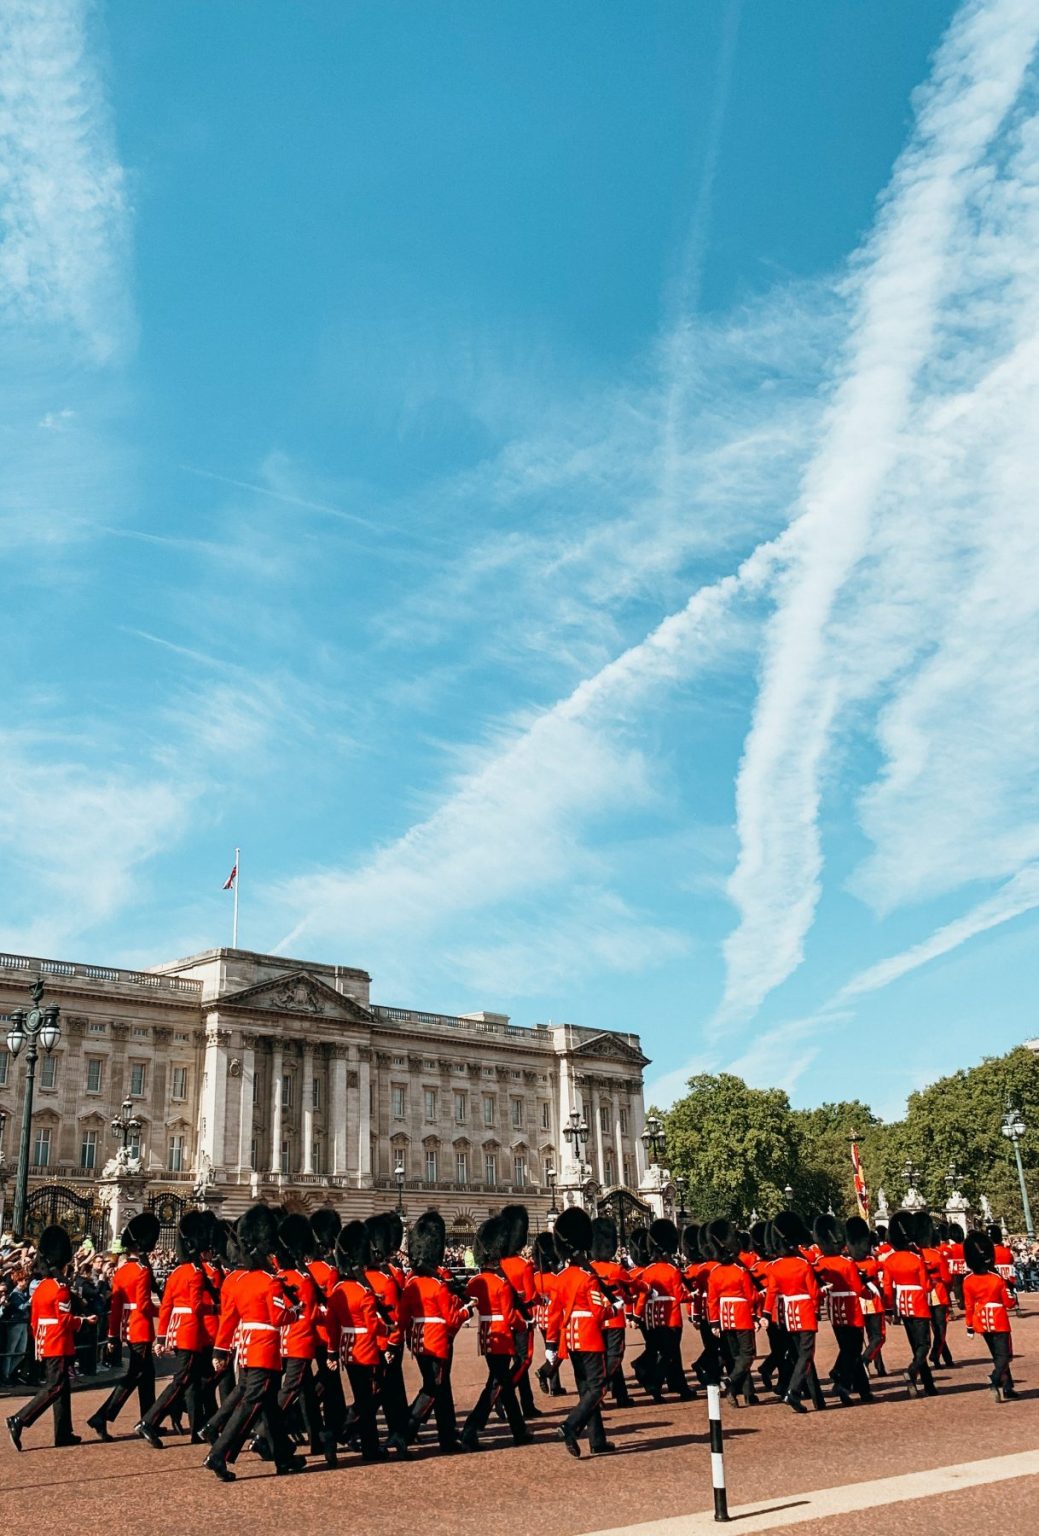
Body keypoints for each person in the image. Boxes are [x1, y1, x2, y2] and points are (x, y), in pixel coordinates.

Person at [203, 1203, 305, 1482]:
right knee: (250, 1404)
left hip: (245, 1348)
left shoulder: (240, 1281)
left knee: (270, 1407)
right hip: (263, 1348)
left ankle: (283, 1457)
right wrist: (297, 1310)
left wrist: (220, 1349)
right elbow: (278, 1316)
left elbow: (229, 1320)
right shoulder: (270, 1282)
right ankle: (218, 1454)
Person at [6, 1226, 96, 1451]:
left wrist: (39, 1340)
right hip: (58, 1342)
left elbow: (35, 1321)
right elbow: (65, 1320)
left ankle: (63, 1432)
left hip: (46, 1340)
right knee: (55, 1387)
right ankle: (20, 1419)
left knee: (62, 1388)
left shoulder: (42, 1287)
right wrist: (84, 1321)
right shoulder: (60, 1288)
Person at [135, 1209, 215, 1447]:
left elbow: (167, 1305)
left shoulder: (177, 1272)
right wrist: (217, 1308)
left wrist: (162, 1337)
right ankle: (149, 1421)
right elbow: (197, 1307)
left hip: (179, 1330)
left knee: (198, 1381)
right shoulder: (196, 1274)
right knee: (181, 1380)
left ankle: (199, 1428)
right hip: (191, 1332)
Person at [399, 1210, 474, 1453]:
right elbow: (451, 1321)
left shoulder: (411, 1283)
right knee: (434, 1389)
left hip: (418, 1343)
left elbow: (403, 1319)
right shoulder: (438, 1286)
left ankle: (447, 1434)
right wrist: (467, 1311)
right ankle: (405, 1431)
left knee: (441, 1389)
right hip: (438, 1341)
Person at [459, 1215, 532, 1452]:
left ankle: (519, 1431)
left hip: (486, 1335)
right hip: (501, 1336)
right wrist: (525, 1324)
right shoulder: (500, 1284)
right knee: (498, 1385)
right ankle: (471, 1427)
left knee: (503, 1385)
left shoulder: (475, 1282)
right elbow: (510, 1316)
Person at [546, 1206, 613, 1458]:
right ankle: (570, 1425)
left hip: (570, 1338)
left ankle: (597, 1440)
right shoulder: (588, 1277)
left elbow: (554, 1313)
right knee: (598, 1389)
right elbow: (598, 1311)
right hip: (588, 1336)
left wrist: (551, 1345)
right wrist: (613, 1308)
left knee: (586, 1390)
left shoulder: (561, 1277)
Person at [87, 1211, 161, 1440]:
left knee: (147, 1377)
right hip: (140, 1328)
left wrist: (113, 1335)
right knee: (134, 1377)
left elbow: (116, 1308)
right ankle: (102, 1416)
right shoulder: (141, 1271)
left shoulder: (121, 1271)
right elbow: (145, 1306)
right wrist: (165, 1310)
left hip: (127, 1328)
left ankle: (149, 1420)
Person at [324, 1221, 388, 1461]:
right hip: (366, 1349)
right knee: (367, 1403)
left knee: (362, 1398)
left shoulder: (338, 1290)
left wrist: (332, 1352)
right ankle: (368, 1447)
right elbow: (373, 1326)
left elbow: (332, 1326)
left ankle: (336, 1434)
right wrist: (388, 1328)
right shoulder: (364, 1293)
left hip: (347, 1350)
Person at [764, 1211, 825, 1414]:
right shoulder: (803, 1265)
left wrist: (765, 1315)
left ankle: (817, 1398)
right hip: (804, 1311)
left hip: (786, 1315)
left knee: (801, 1355)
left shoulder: (774, 1267)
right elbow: (814, 1292)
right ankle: (793, 1391)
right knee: (806, 1354)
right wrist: (818, 1304)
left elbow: (771, 1292)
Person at [812, 1213, 870, 1405]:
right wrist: (869, 1289)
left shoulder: (820, 1263)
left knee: (847, 1347)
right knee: (853, 1349)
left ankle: (864, 1390)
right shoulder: (847, 1263)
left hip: (834, 1309)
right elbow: (858, 1289)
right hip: (851, 1309)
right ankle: (841, 1379)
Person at [364, 1212, 409, 1454]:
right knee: (384, 1389)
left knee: (387, 1388)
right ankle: (352, 1426)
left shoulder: (372, 1276)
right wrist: (393, 1343)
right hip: (384, 1340)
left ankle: (399, 1431)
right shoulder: (389, 1276)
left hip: (374, 1340)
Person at [881, 1210, 937, 1398]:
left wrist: (888, 1309)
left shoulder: (889, 1260)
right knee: (924, 1345)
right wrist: (933, 1282)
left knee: (915, 1345)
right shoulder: (916, 1259)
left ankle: (928, 1385)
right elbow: (926, 1286)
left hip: (902, 1304)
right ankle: (912, 1371)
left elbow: (887, 1287)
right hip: (918, 1302)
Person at [704, 1219, 759, 1407]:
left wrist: (714, 1322)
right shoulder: (740, 1271)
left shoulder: (715, 1272)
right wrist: (756, 1315)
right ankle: (730, 1382)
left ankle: (744, 1393)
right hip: (741, 1314)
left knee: (736, 1356)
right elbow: (750, 1296)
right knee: (748, 1354)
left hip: (724, 1316)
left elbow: (712, 1300)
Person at [498, 1204, 542, 1420]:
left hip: (505, 1318)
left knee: (514, 1360)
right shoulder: (524, 1265)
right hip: (523, 1316)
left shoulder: (500, 1263)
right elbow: (530, 1296)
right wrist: (542, 1300)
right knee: (524, 1360)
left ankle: (527, 1404)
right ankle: (501, 1395)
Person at [963, 1230, 1017, 1401]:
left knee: (996, 1355)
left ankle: (1007, 1387)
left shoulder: (968, 1280)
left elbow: (969, 1305)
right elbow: (1008, 1303)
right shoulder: (996, 1278)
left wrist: (969, 1326)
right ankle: (994, 1379)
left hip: (981, 1320)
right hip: (998, 1319)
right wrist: (1012, 1298)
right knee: (1005, 1355)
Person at [590, 1215, 638, 1407]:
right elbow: (630, 1288)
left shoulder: (590, 1268)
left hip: (598, 1318)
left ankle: (620, 1395)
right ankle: (598, 1390)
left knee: (603, 1357)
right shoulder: (616, 1269)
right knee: (615, 1357)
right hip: (614, 1319)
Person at [0, 1272, 30, 1386]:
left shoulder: (22, 1293)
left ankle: (8, 1373)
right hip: (15, 1323)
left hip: (23, 1323)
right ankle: (5, 1375)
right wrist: (30, 1302)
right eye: (24, 1280)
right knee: (10, 1351)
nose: (26, 1282)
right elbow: (20, 1308)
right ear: (18, 1281)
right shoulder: (15, 1294)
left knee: (21, 1353)